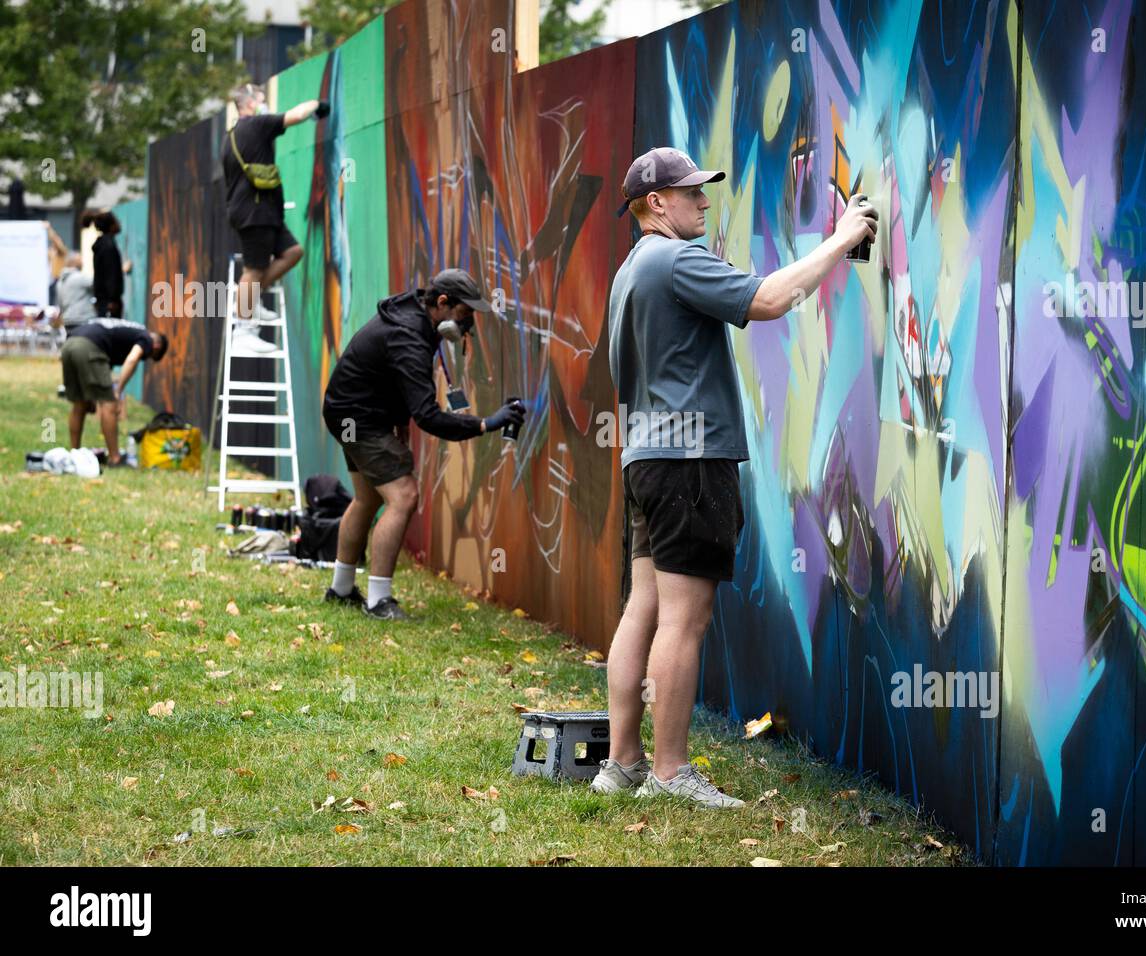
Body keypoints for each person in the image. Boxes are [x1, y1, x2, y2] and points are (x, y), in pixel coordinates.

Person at [592, 147, 878, 808]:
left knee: (644, 608)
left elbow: (618, 374)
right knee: (683, 623)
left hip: (646, 460)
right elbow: (769, 300)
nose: (704, 201)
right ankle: (669, 773)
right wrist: (841, 239)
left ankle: (623, 764)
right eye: (692, 192)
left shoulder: (629, 272)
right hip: (692, 464)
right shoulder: (675, 259)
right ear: (656, 203)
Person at [320, 269, 525, 620]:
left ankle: (340, 590)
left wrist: (397, 422)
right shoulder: (410, 337)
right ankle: (378, 600)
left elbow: (392, 379)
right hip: (359, 417)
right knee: (403, 496)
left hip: (347, 412)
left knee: (368, 498)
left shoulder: (416, 315)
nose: (468, 326)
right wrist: (486, 423)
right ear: (443, 303)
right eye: (465, 314)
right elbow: (428, 415)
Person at [221, 83, 329, 354]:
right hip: (255, 212)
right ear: (250, 103)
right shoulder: (255, 125)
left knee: (293, 252)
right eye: (260, 98)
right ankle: (243, 328)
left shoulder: (234, 133)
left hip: (261, 211)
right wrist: (317, 105)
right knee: (254, 270)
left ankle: (248, 298)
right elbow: (294, 116)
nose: (264, 102)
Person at [60, 319, 169, 466]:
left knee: (80, 403)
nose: (146, 357)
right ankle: (115, 458)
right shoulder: (146, 338)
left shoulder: (127, 331)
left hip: (69, 345)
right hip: (90, 346)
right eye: (150, 356)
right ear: (156, 346)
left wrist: (91, 397)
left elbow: (99, 369)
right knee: (109, 403)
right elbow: (132, 359)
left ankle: (75, 455)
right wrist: (117, 391)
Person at [83, 210, 127, 318]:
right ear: (111, 226)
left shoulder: (103, 245)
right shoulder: (108, 247)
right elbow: (110, 274)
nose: (119, 224)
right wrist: (111, 300)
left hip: (104, 301)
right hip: (109, 303)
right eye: (116, 221)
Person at [54, 253, 96, 330]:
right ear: (74, 262)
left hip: (68, 321)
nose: (82, 263)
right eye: (80, 260)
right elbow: (99, 284)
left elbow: (60, 304)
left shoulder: (60, 282)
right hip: (82, 320)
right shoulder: (80, 277)